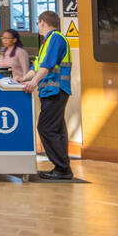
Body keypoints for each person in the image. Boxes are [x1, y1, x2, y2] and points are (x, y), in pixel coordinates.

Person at [18, 11, 73, 180]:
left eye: (37, 23)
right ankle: (63, 167)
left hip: (56, 91)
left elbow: (47, 66)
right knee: (56, 129)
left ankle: (62, 168)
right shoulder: (47, 41)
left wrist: (33, 83)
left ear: (42, 22)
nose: (37, 26)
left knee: (45, 127)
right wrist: (23, 78)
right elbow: (37, 67)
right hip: (50, 91)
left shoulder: (56, 38)